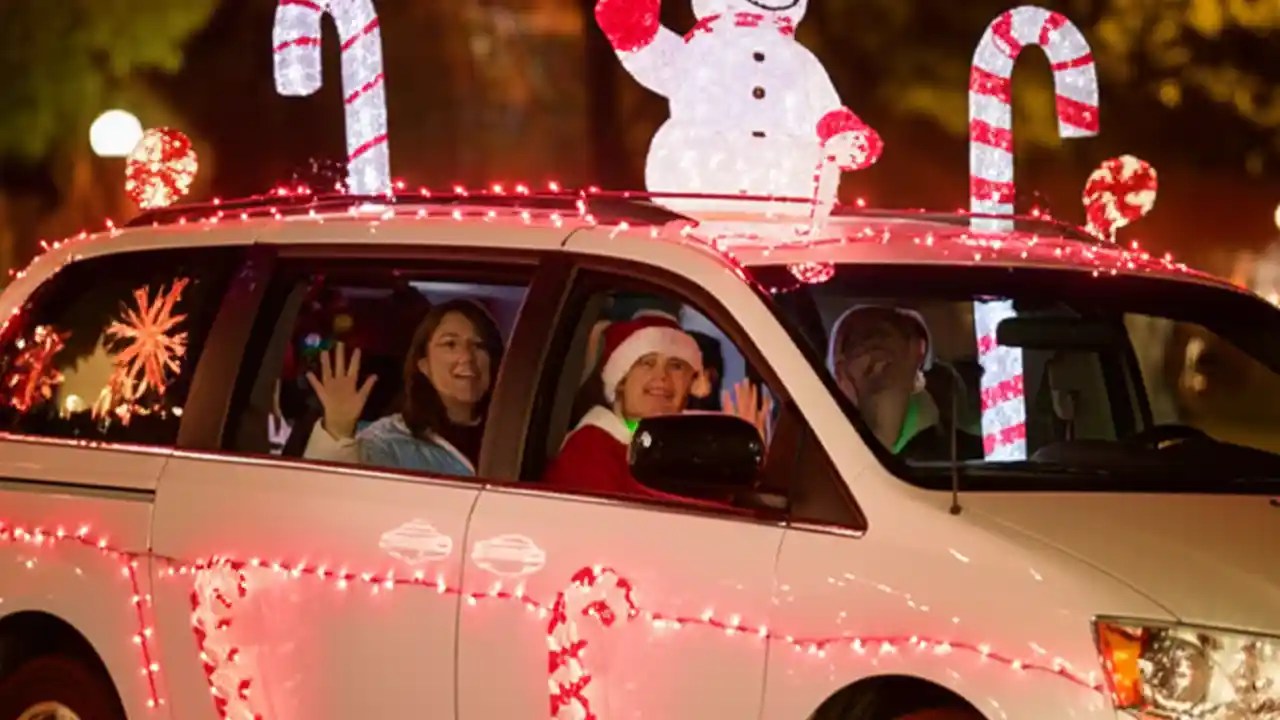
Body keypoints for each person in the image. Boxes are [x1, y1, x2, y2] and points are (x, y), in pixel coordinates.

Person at [544, 314, 769, 499]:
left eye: (676, 366)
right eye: (647, 363)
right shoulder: (589, 448)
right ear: (621, 381)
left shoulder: (684, 445)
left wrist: (741, 460)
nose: (661, 377)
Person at [303, 298, 503, 475]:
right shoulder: (389, 442)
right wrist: (337, 429)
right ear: (424, 365)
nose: (467, 357)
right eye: (450, 344)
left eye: (479, 345)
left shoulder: (520, 432)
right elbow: (331, 493)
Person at [827, 305, 982, 461]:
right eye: (856, 344)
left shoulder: (969, 462)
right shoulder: (825, 449)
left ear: (917, 353)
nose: (871, 352)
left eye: (882, 337)